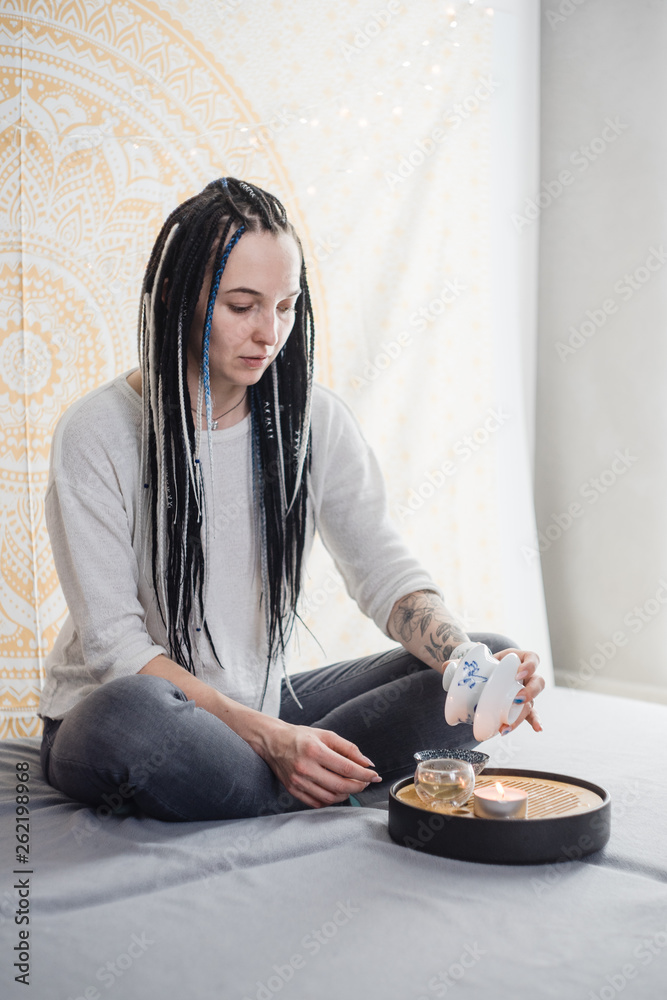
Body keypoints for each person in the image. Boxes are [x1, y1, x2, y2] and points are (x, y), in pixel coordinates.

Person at [38, 177, 544, 821]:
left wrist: (475, 667)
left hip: (263, 705)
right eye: (242, 305)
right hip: (132, 711)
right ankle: (299, 781)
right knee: (128, 720)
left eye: (285, 306)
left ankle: (271, 784)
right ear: (175, 297)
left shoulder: (313, 423)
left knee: (482, 648)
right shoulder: (99, 432)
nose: (268, 333)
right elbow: (116, 651)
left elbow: (383, 573)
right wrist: (274, 739)